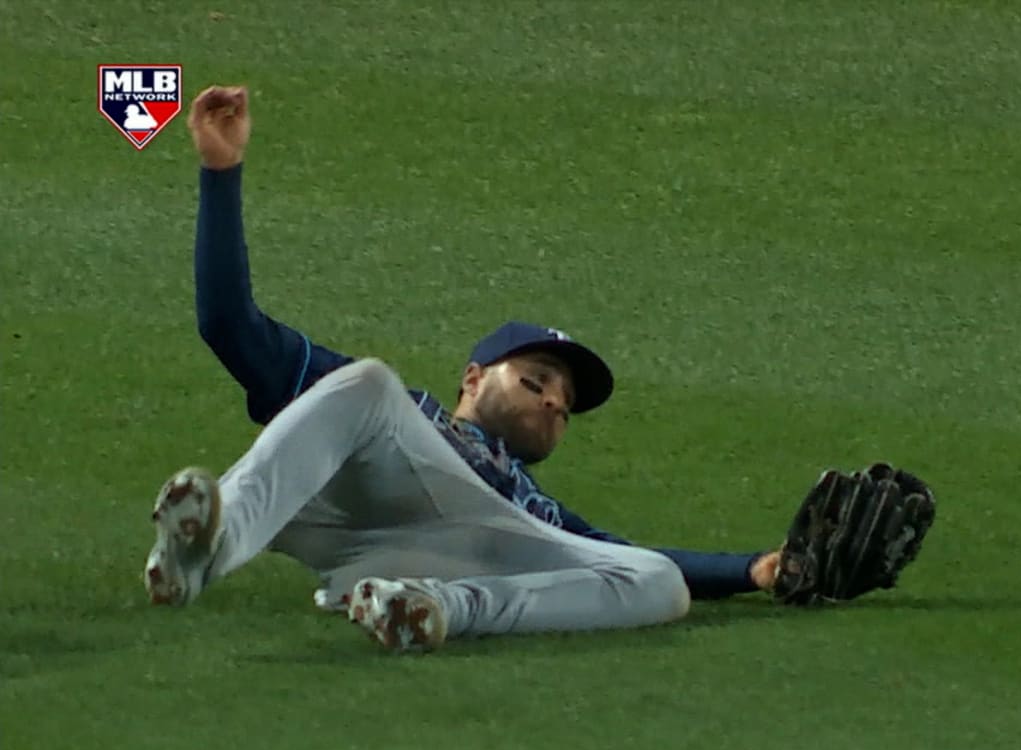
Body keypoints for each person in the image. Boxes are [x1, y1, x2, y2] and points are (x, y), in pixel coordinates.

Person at [145, 84, 791, 653]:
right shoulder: (408, 419)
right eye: (536, 381)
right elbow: (229, 325)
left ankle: (429, 611)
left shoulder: (534, 506)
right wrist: (220, 170)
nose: (549, 403)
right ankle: (207, 548)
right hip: (338, 515)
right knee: (370, 383)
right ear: (473, 379)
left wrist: (754, 569)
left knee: (657, 582)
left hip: (457, 558)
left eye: (562, 407)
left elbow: (628, 557)